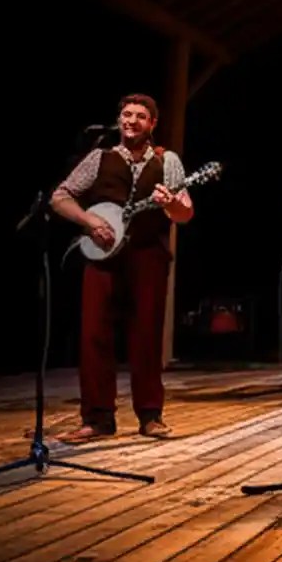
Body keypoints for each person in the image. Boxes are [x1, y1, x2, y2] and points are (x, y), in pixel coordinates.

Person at [50, 94, 193, 443]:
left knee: (146, 335)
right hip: (102, 255)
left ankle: (150, 415)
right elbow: (60, 196)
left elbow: (186, 213)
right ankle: (97, 419)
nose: (131, 121)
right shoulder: (99, 158)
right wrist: (89, 221)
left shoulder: (167, 161)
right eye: (126, 114)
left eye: (140, 116)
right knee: (94, 335)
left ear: (152, 123)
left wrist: (171, 203)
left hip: (148, 256)